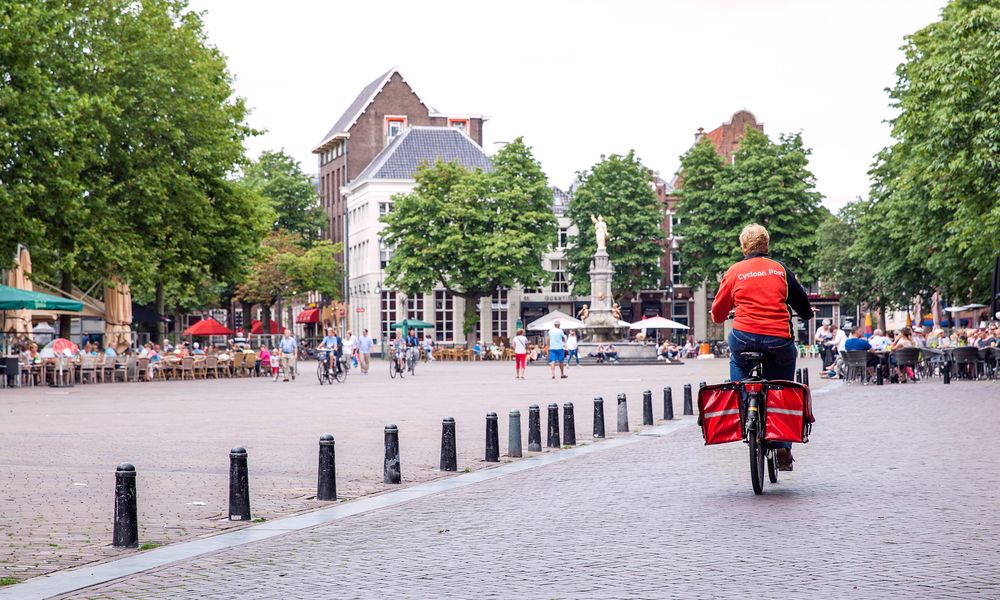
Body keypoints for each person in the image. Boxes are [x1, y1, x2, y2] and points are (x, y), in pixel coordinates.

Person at [710, 223, 813, 472]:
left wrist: (724, 314)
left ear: (744, 246)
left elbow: (717, 312)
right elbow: (802, 303)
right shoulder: (780, 270)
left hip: (744, 337)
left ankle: (746, 405)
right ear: (767, 246)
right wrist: (806, 313)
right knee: (783, 389)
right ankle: (783, 448)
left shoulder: (734, 271)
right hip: (779, 340)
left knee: (737, 362)